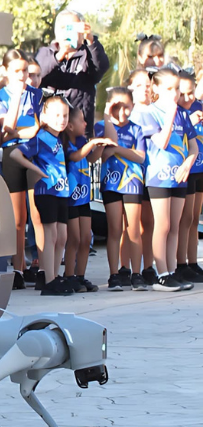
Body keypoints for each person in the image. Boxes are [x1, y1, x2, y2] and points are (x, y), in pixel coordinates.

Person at [136, 67, 198, 292]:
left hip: (179, 176)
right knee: (161, 225)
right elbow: (161, 142)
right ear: (156, 88)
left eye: (177, 89)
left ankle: (171, 271)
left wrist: (188, 163)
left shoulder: (182, 113)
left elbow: (193, 146)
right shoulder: (149, 112)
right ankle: (160, 273)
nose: (175, 94)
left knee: (174, 226)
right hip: (158, 176)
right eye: (169, 89)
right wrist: (171, 113)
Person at [10, 95, 76, 296]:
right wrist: (36, 169)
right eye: (56, 115)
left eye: (64, 115)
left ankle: (54, 276)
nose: (61, 119)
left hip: (61, 191)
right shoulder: (40, 138)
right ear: (45, 116)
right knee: (51, 235)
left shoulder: (59, 139)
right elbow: (15, 154)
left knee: (62, 236)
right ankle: (48, 279)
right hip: (46, 191)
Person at [0, 49, 41, 287]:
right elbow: (5, 131)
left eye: (26, 71)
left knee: (38, 214)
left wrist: (25, 132)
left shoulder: (38, 95)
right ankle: (18, 269)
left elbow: (40, 129)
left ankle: (41, 266)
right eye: (17, 71)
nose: (23, 76)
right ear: (7, 72)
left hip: (34, 154)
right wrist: (18, 98)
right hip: (11, 154)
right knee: (17, 219)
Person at [98, 87, 148, 291]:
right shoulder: (102, 127)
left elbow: (140, 156)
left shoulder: (136, 129)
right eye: (117, 107)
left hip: (132, 182)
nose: (122, 112)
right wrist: (107, 117)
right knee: (115, 230)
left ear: (133, 107)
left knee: (133, 229)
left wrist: (117, 150)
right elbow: (101, 155)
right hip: (110, 182)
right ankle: (114, 274)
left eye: (126, 107)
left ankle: (137, 273)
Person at [63, 105, 112, 292]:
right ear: (70, 125)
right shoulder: (67, 143)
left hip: (84, 198)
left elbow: (90, 159)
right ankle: (69, 275)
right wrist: (91, 144)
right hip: (70, 198)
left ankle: (80, 276)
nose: (85, 123)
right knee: (73, 238)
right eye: (81, 120)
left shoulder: (83, 140)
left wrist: (99, 148)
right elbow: (76, 157)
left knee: (85, 238)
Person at [35, 10, 109, 134]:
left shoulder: (88, 53)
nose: (68, 32)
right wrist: (60, 54)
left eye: (74, 28)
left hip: (79, 128)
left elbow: (101, 68)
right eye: (64, 28)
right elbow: (38, 74)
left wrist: (91, 40)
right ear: (56, 31)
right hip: (51, 127)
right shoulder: (46, 53)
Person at [126, 67, 156, 282]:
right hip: (133, 177)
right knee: (129, 225)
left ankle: (148, 266)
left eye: (148, 85)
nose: (145, 90)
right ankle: (124, 267)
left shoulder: (157, 111)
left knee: (151, 222)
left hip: (155, 174)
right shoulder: (128, 113)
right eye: (139, 85)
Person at [175, 70, 203, 283]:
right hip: (185, 170)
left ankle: (193, 262)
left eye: (190, 93)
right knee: (184, 220)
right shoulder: (175, 112)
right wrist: (190, 122)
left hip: (200, 168)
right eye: (182, 93)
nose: (187, 98)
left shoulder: (198, 107)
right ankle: (180, 263)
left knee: (194, 219)